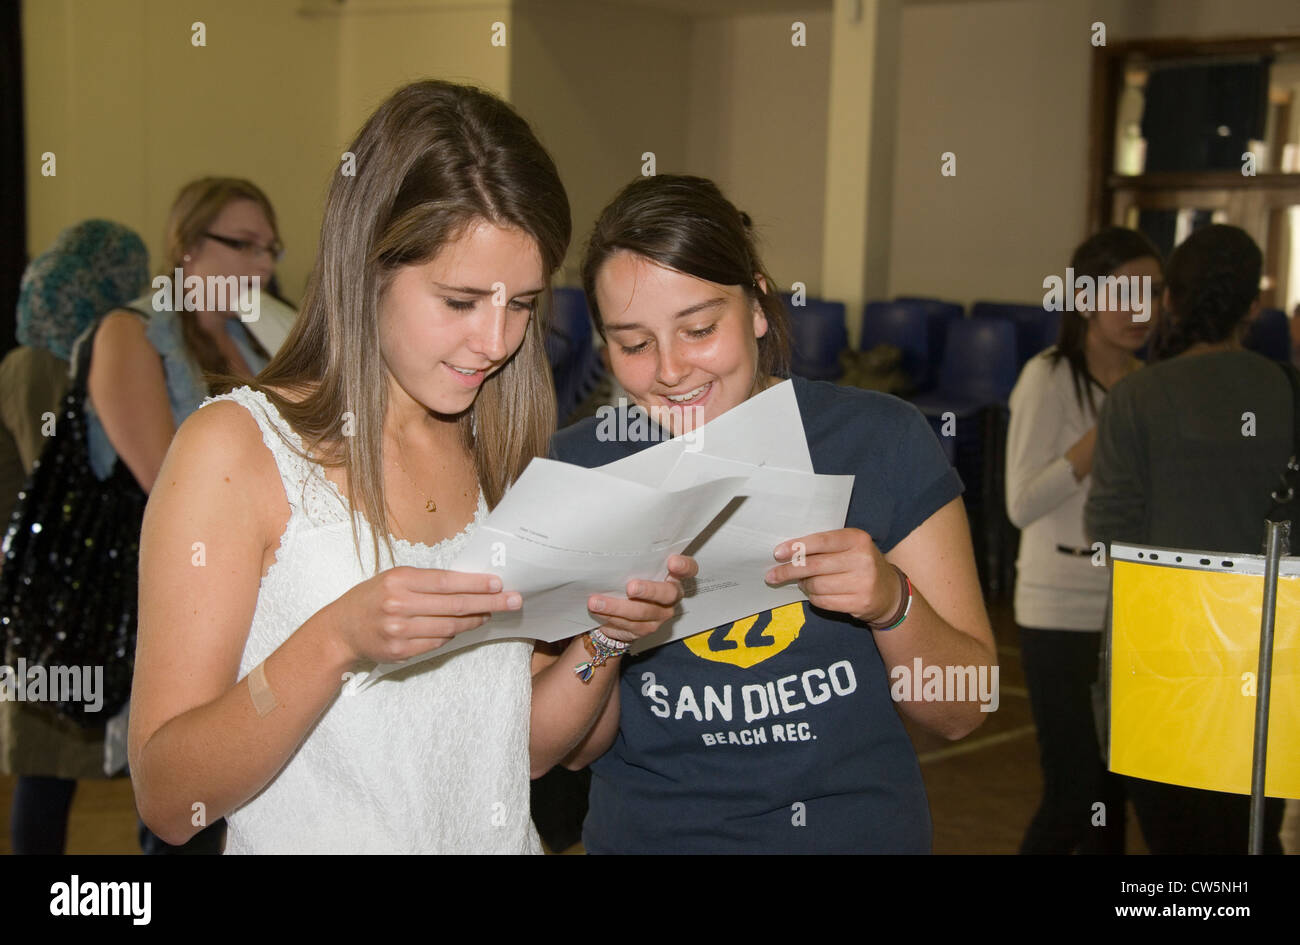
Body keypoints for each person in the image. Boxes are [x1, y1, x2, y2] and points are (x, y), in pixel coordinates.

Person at [127, 80, 694, 855]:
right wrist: (335, 641)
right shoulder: (235, 451)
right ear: (367, 268)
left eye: (522, 304)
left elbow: (520, 752)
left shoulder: (501, 447)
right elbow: (169, 797)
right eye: (460, 302)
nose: (496, 342)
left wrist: (604, 638)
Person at [550, 174, 997, 853]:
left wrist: (891, 602)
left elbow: (962, 712)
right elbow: (577, 751)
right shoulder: (579, 469)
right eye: (634, 344)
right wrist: (604, 638)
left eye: (699, 328)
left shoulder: (881, 440)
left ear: (758, 305)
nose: (670, 370)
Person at [81, 178, 284, 855]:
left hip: (260, 611)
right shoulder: (130, 334)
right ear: (188, 246)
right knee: (184, 822)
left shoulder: (257, 340)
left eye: (271, 248)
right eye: (244, 244)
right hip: (180, 613)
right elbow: (167, 483)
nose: (262, 265)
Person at [1086, 223, 1288, 854]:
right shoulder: (1288, 391)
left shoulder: (1139, 396)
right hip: (1266, 653)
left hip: (1164, 660)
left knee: (1176, 847)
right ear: (1253, 305)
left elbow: (1109, 531)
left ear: (1171, 300)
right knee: (1250, 838)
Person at [1005, 227, 1162, 854]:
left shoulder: (1149, 384)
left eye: (1153, 292)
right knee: (1077, 795)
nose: (1141, 310)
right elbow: (1019, 503)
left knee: (1116, 796)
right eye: (1127, 292)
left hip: (1129, 604)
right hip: (1058, 604)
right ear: (1087, 297)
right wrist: (1098, 441)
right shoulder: (1046, 377)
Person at [0, 220, 149, 854]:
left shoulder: (33, 358)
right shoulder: (49, 365)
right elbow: (60, 477)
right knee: (48, 770)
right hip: (66, 592)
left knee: (57, 766)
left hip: (51, 590)